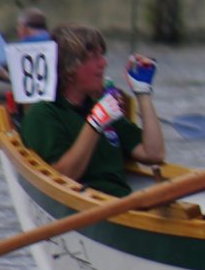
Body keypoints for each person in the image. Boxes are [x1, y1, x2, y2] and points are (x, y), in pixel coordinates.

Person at [19, 24, 165, 197]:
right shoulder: (44, 114)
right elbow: (62, 178)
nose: (104, 63)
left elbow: (154, 154)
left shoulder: (102, 108)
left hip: (121, 204)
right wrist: (95, 124)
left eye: (102, 55)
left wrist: (143, 93)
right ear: (69, 68)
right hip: (86, 203)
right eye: (93, 57)